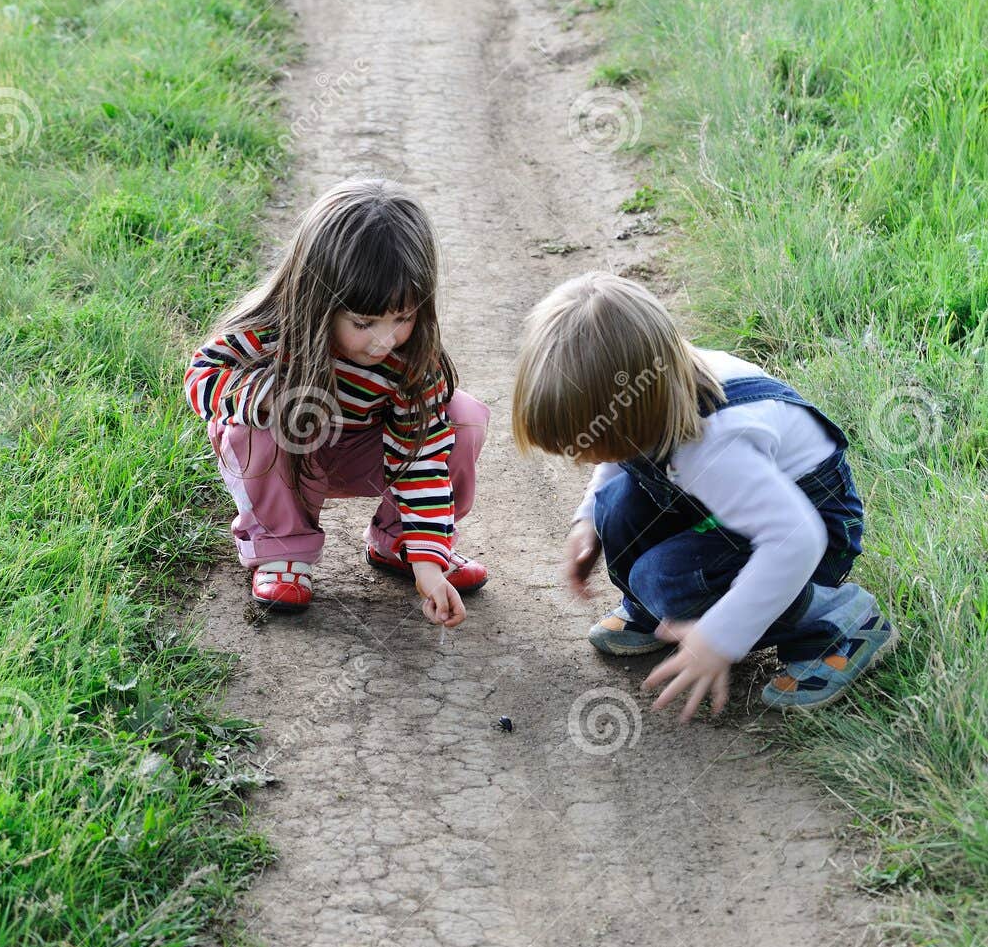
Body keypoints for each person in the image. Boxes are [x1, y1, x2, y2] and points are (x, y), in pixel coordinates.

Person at [511, 272, 897, 718]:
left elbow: (796, 539)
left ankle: (838, 622)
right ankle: (659, 616)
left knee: (664, 579)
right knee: (611, 508)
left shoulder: (715, 445)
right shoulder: (653, 396)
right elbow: (621, 453)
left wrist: (721, 637)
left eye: (586, 443)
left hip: (812, 532)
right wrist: (586, 520)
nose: (578, 457)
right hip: (748, 509)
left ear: (628, 419)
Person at [185, 178, 489, 626]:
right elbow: (201, 377)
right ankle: (282, 553)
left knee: (461, 418)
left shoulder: (412, 360)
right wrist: (269, 400)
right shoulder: (272, 331)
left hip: (368, 452)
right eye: (363, 322)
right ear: (317, 297)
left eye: (403, 317)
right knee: (252, 429)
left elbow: (421, 458)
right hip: (289, 453)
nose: (384, 340)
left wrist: (429, 561)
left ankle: (400, 543)